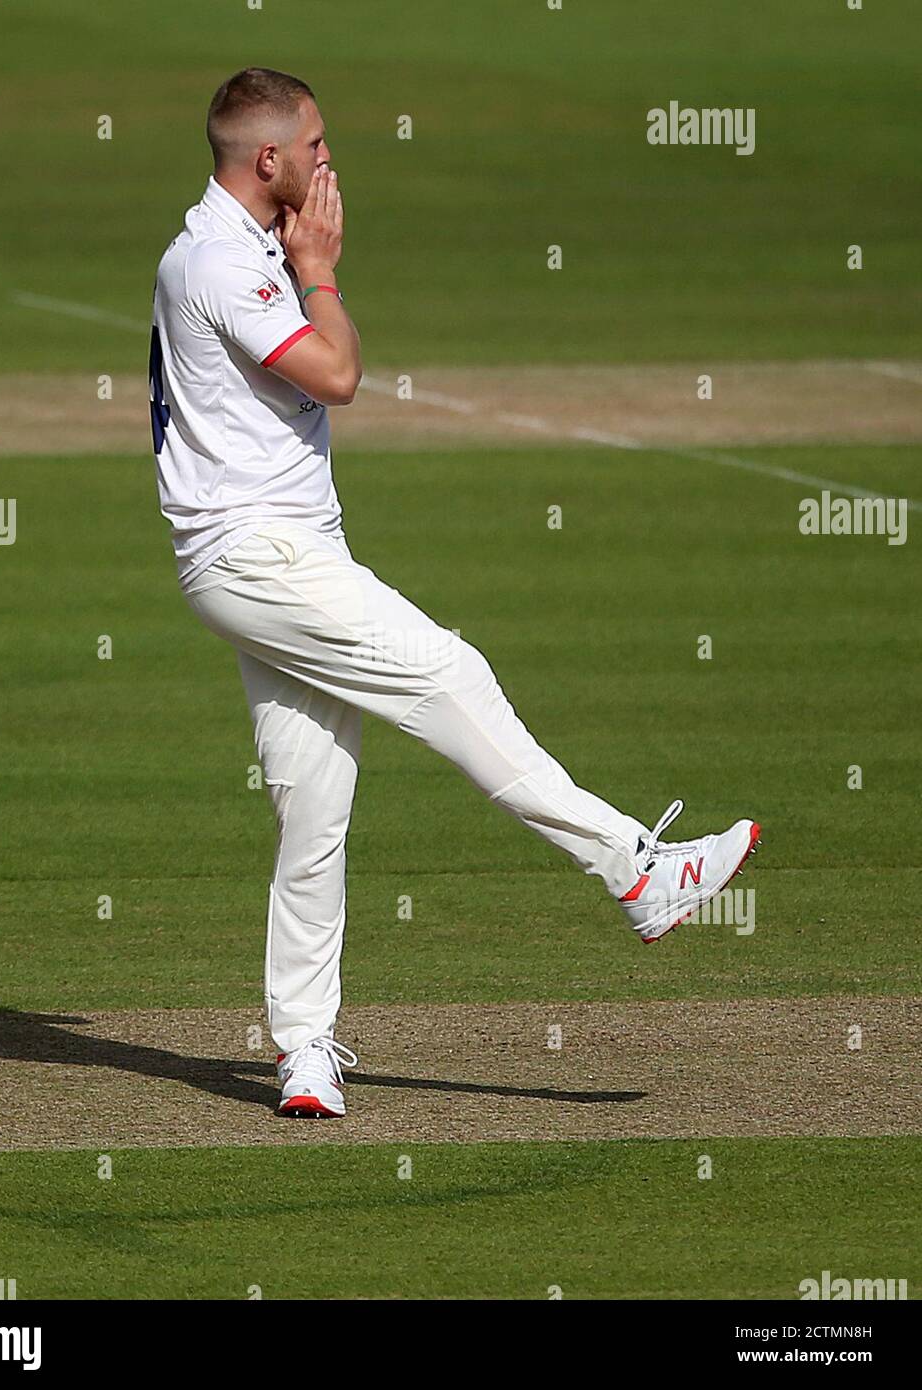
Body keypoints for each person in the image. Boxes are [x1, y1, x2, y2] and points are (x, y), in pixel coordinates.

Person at [149, 68, 760, 1118]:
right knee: (449, 670)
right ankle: (633, 867)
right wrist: (323, 271)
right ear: (268, 161)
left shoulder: (239, 247)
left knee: (313, 811)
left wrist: (298, 260)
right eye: (318, 148)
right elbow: (335, 374)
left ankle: (301, 1052)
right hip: (257, 554)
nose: (330, 163)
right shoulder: (215, 257)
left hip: (273, 555)